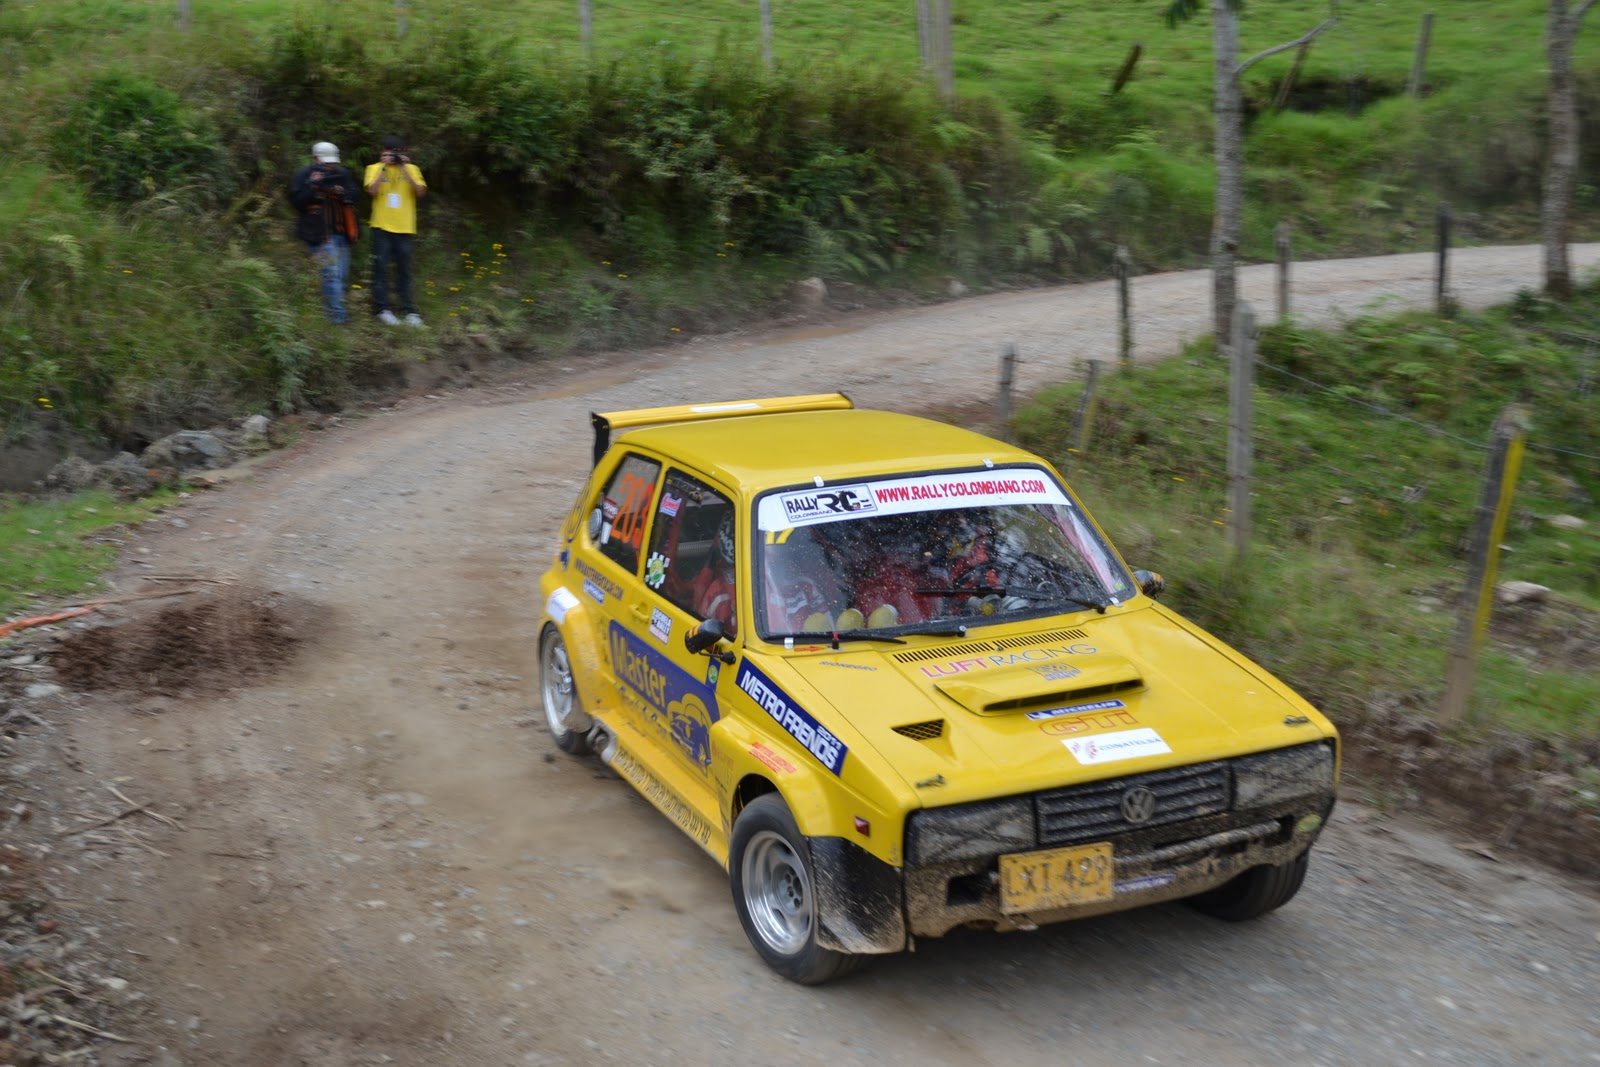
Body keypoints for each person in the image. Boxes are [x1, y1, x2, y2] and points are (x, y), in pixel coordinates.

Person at [288, 142, 360, 324]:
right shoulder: (303, 175)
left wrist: (342, 192)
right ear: (315, 158)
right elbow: (297, 202)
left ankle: (332, 312)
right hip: (318, 234)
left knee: (341, 277)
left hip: (341, 233)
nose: (329, 165)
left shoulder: (342, 174)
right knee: (331, 275)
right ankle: (337, 319)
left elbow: (355, 195)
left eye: (332, 162)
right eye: (326, 162)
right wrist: (314, 188)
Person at [363, 134, 428, 326]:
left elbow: (420, 191)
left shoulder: (412, 169)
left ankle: (409, 311)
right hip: (381, 226)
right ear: (382, 152)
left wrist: (403, 167)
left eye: (396, 152)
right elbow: (372, 191)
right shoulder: (373, 168)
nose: (392, 155)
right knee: (380, 268)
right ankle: (381, 309)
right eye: (388, 151)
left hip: (404, 227)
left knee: (404, 270)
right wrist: (384, 168)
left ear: (403, 153)